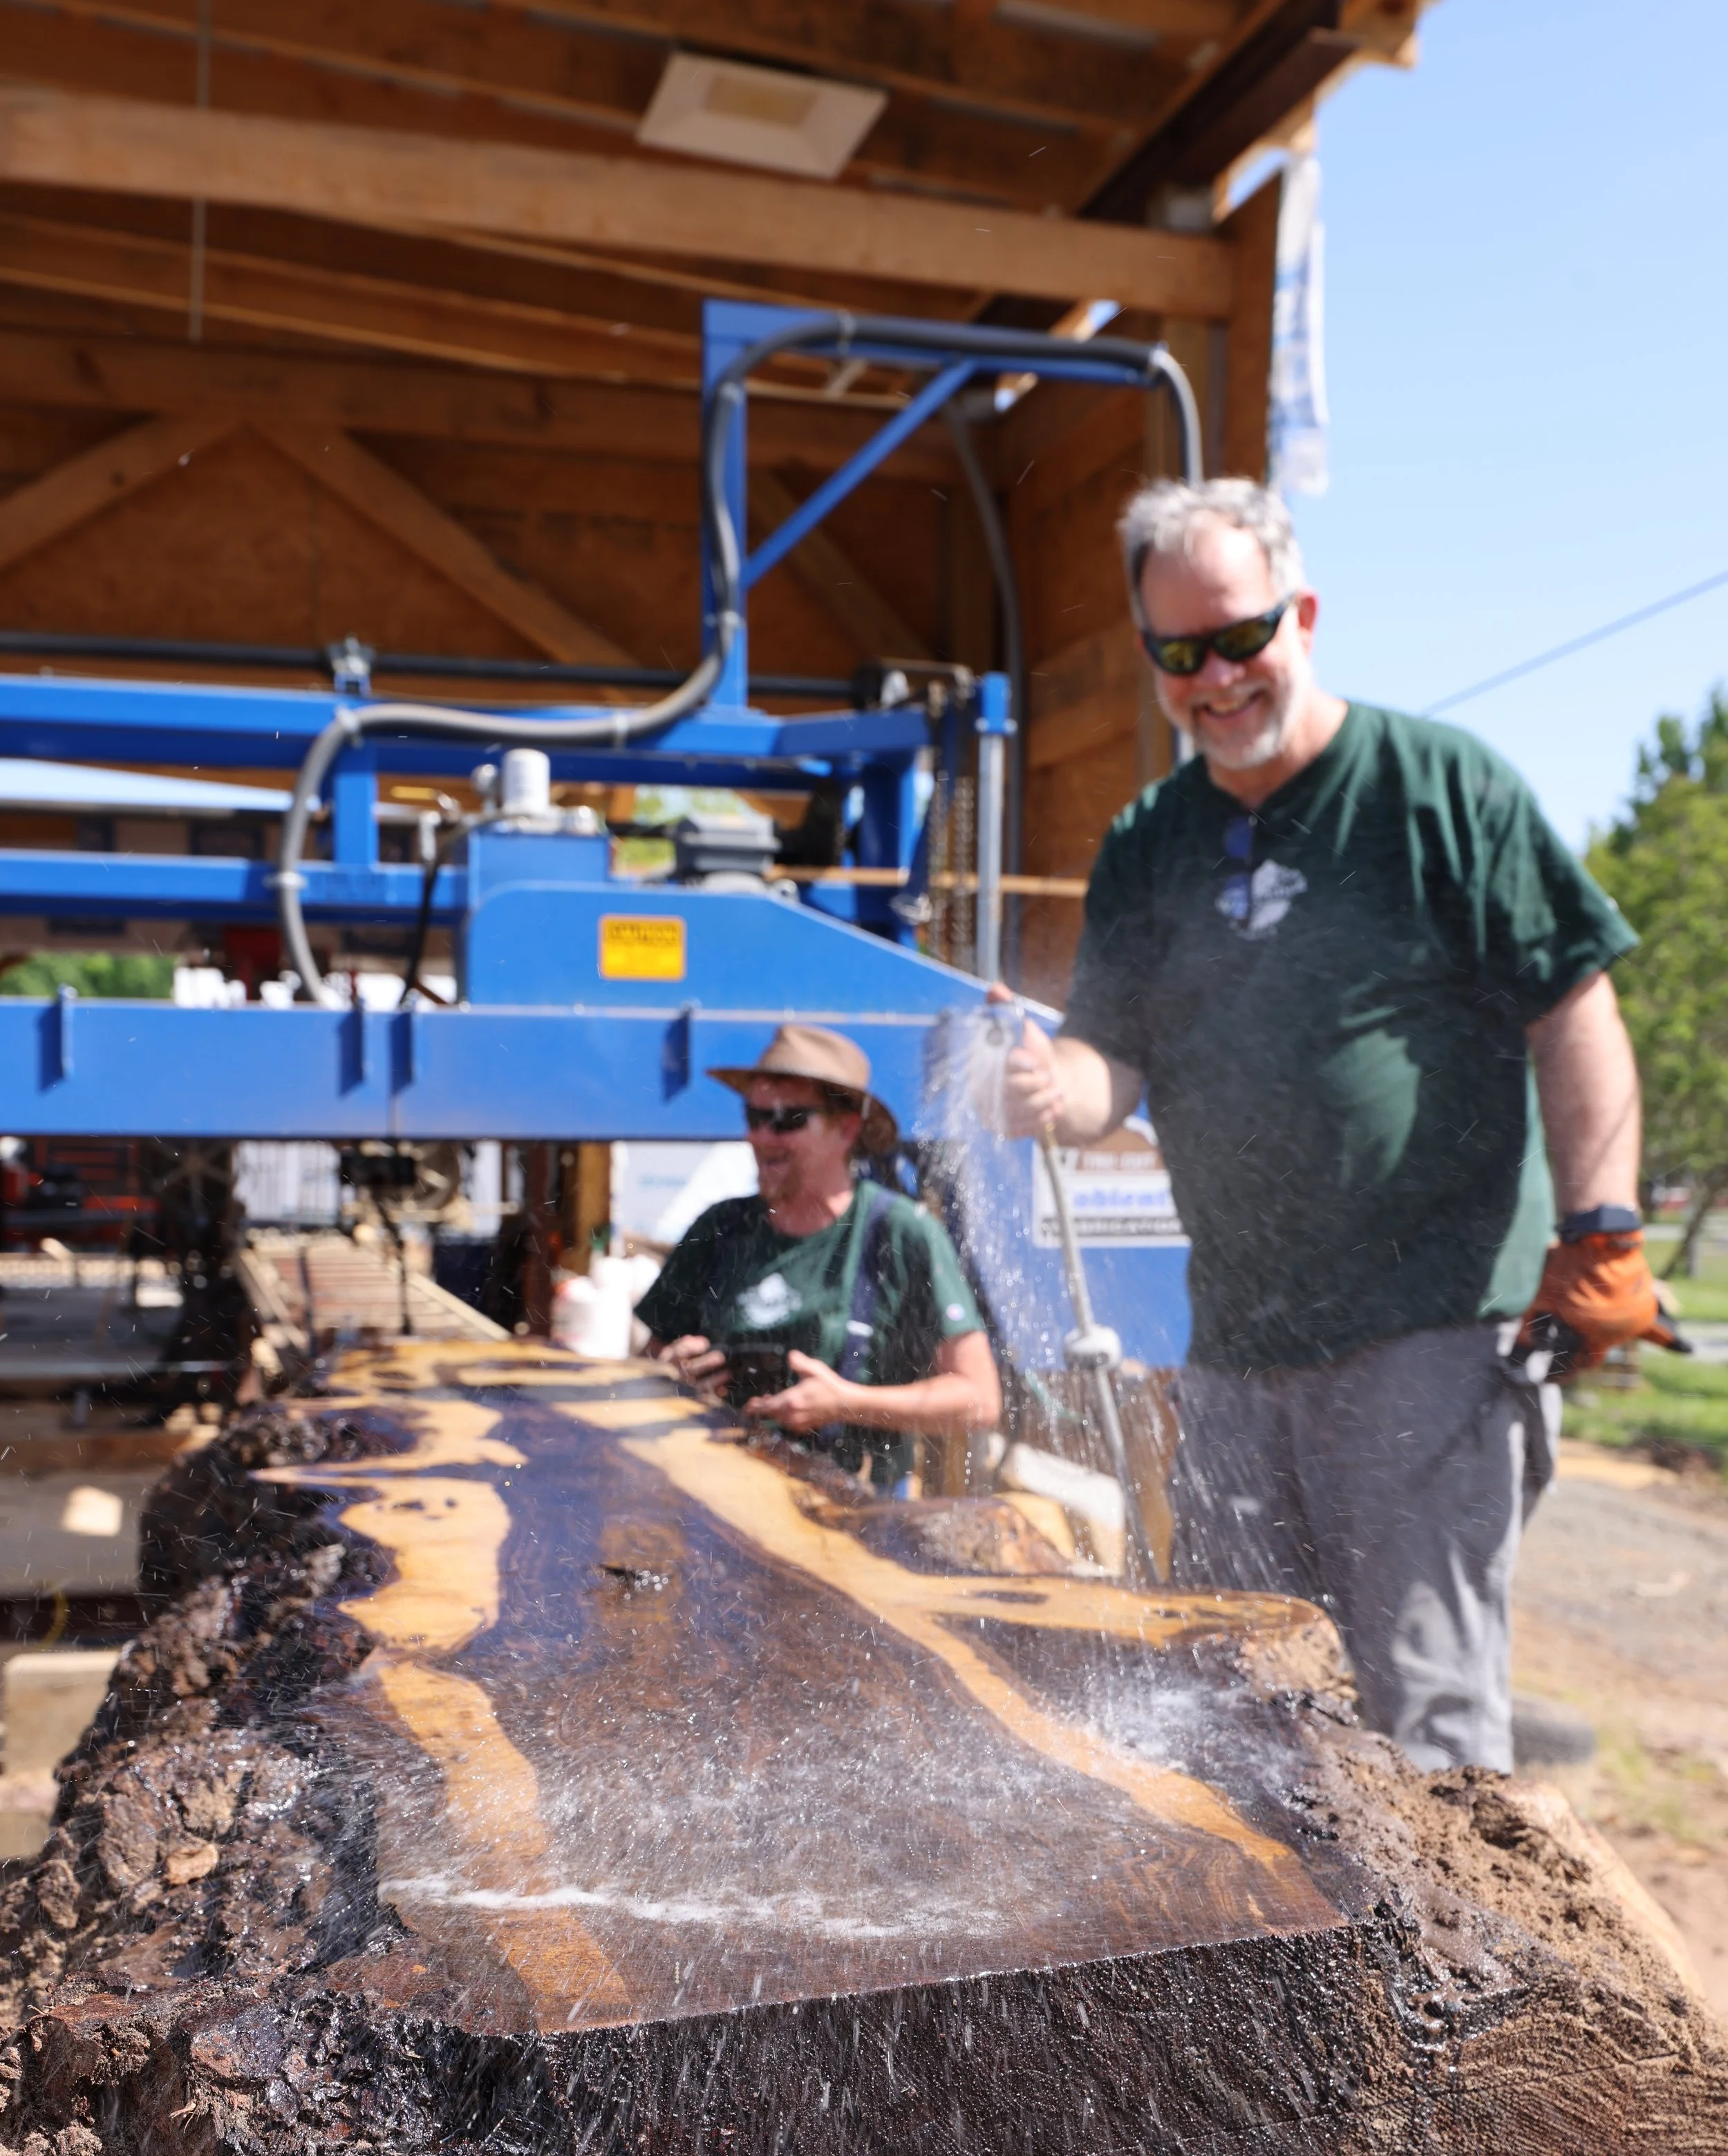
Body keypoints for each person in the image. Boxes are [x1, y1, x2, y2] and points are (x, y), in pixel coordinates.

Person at [993, 476, 1678, 1773]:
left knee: (1422, 1729)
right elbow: (1106, 1069)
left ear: (1302, 614)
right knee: (1236, 1707)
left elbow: (1577, 1008)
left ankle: (1456, 1986)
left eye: (1242, 636)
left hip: (1429, 1334)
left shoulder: (1438, 787)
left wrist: (1604, 1232)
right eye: (1181, 653)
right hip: (1240, 1346)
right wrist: (1049, 1086)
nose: (1219, 677)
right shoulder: (1151, 841)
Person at [636, 1024, 999, 1488]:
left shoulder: (901, 1233)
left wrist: (845, 1402)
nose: (763, 1137)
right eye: (754, 1117)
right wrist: (669, 1373)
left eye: (787, 1120)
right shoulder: (719, 1228)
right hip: (720, 1504)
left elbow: (979, 1400)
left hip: (855, 1518)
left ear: (845, 1128)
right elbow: (644, 1366)